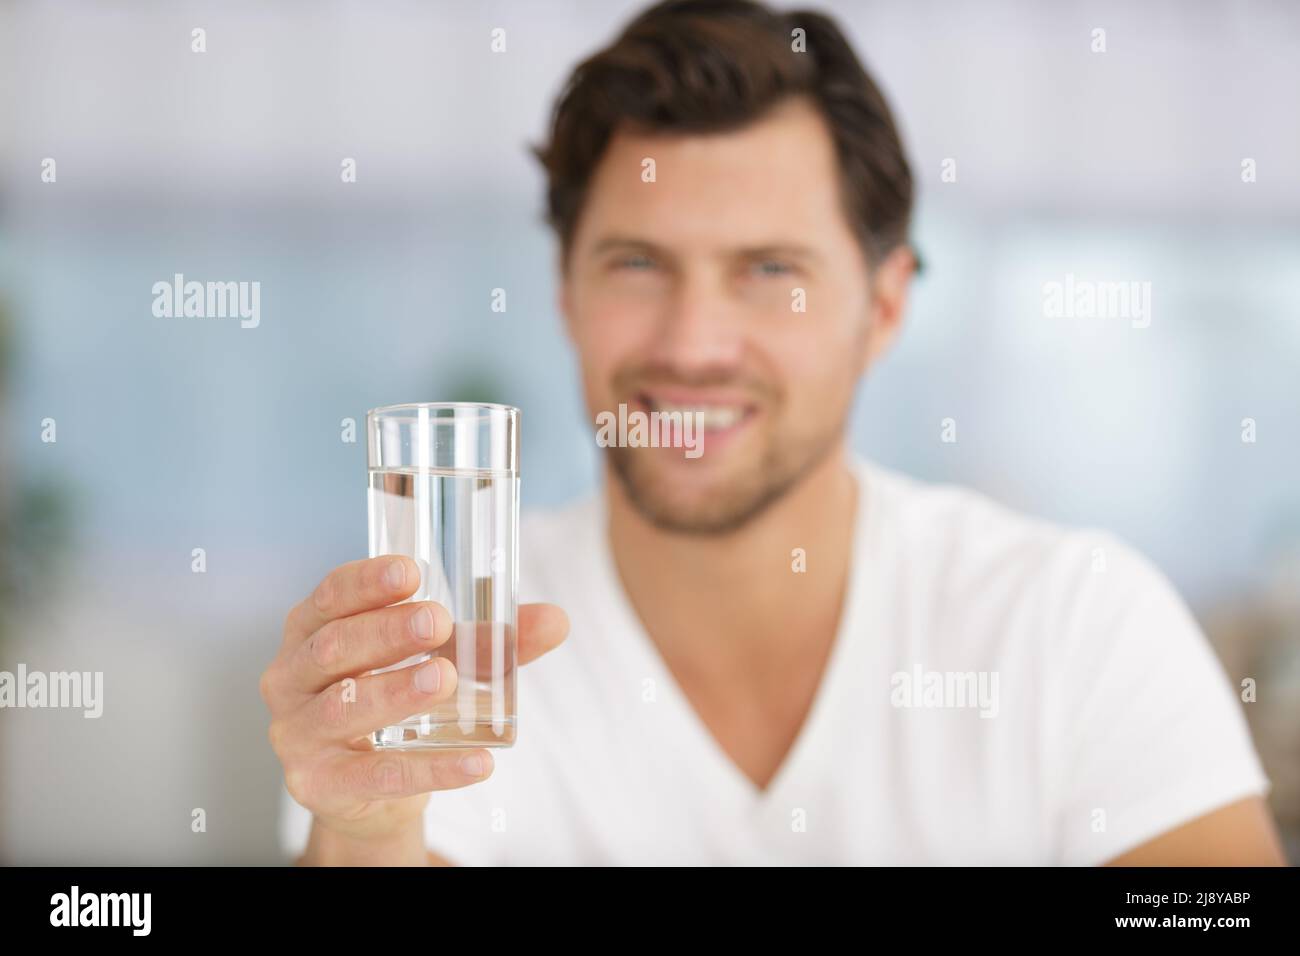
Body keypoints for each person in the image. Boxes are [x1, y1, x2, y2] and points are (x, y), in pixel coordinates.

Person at [261, 0, 1285, 865]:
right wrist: (363, 835)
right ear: (565, 294)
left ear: (883, 308)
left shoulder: (1074, 623)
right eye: (635, 263)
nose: (693, 343)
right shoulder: (450, 656)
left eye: (768, 272)